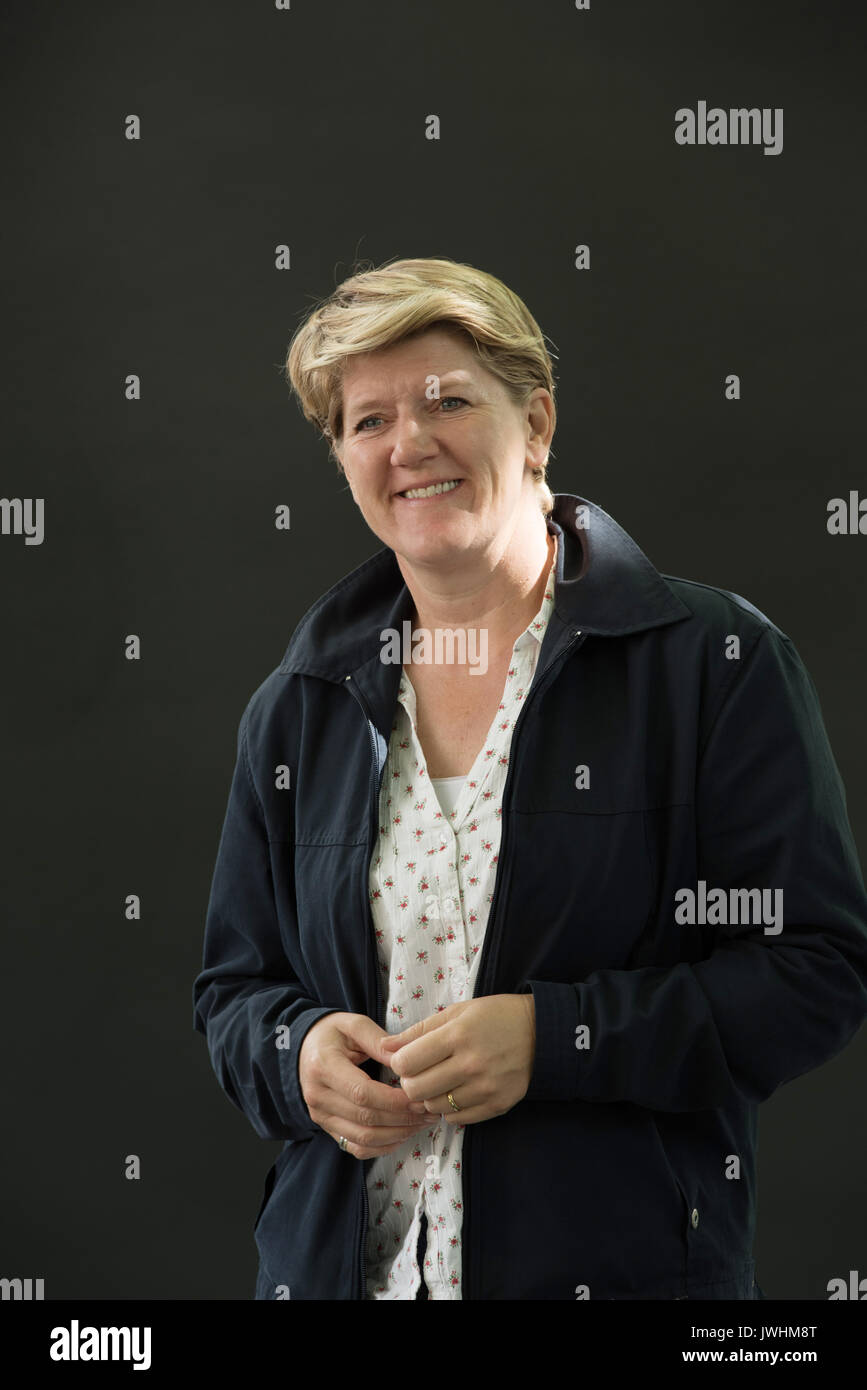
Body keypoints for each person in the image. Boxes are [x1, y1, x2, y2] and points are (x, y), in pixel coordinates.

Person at [192, 256, 867, 1300]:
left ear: (537, 422)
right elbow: (234, 993)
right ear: (341, 456)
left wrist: (563, 1038)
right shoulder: (298, 703)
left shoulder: (714, 664)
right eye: (367, 422)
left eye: (446, 400)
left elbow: (817, 970)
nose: (409, 444)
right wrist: (299, 1051)